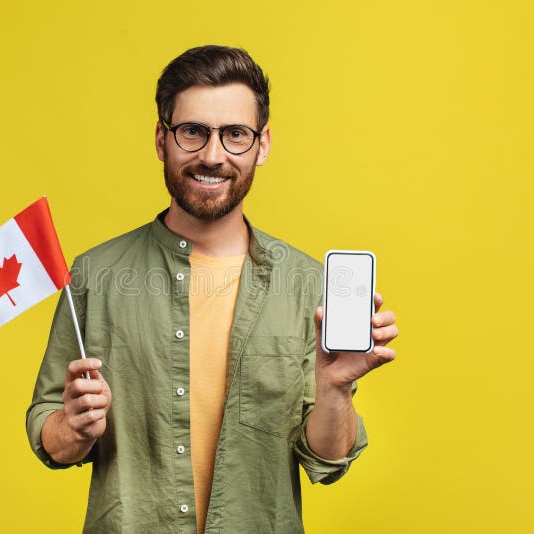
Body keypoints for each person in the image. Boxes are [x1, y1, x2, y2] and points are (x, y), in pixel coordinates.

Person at [26, 45, 399, 533]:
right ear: (162, 139)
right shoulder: (97, 274)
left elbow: (328, 462)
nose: (212, 155)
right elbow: (48, 429)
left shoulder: (308, 285)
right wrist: (72, 428)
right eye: (193, 132)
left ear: (262, 145)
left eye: (235, 135)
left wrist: (334, 391)